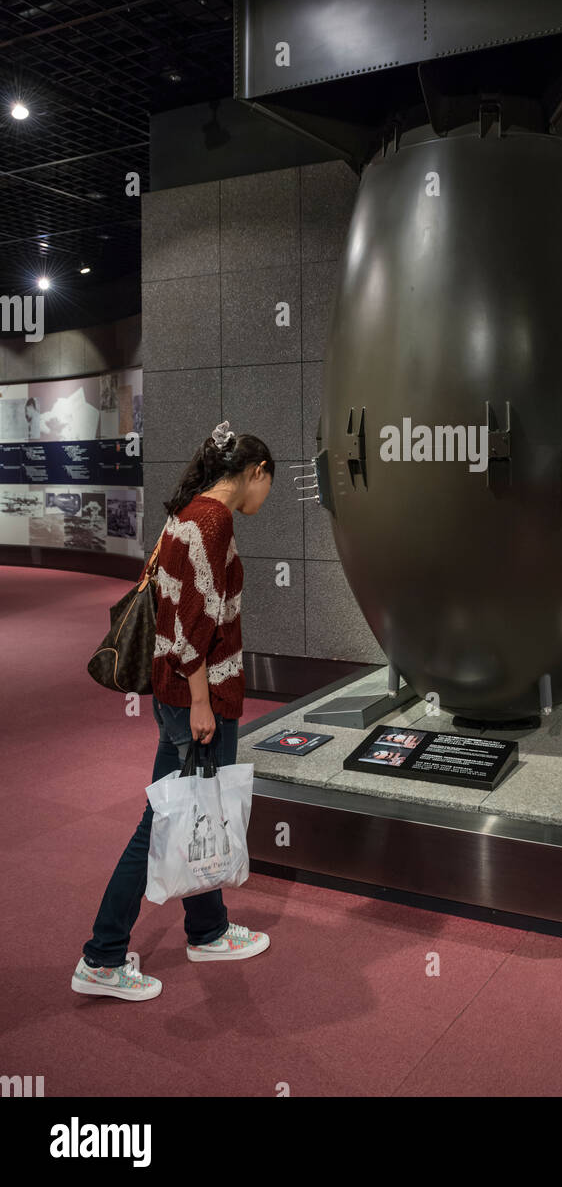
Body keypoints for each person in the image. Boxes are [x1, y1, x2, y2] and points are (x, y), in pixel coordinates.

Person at [72, 421, 275, 1002]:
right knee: (162, 821)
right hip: (195, 698)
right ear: (255, 473)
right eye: (269, 484)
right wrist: (203, 705)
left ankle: (207, 929)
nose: (267, 497)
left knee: (196, 810)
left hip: (178, 694)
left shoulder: (188, 513)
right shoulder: (213, 521)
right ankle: (103, 956)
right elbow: (191, 627)